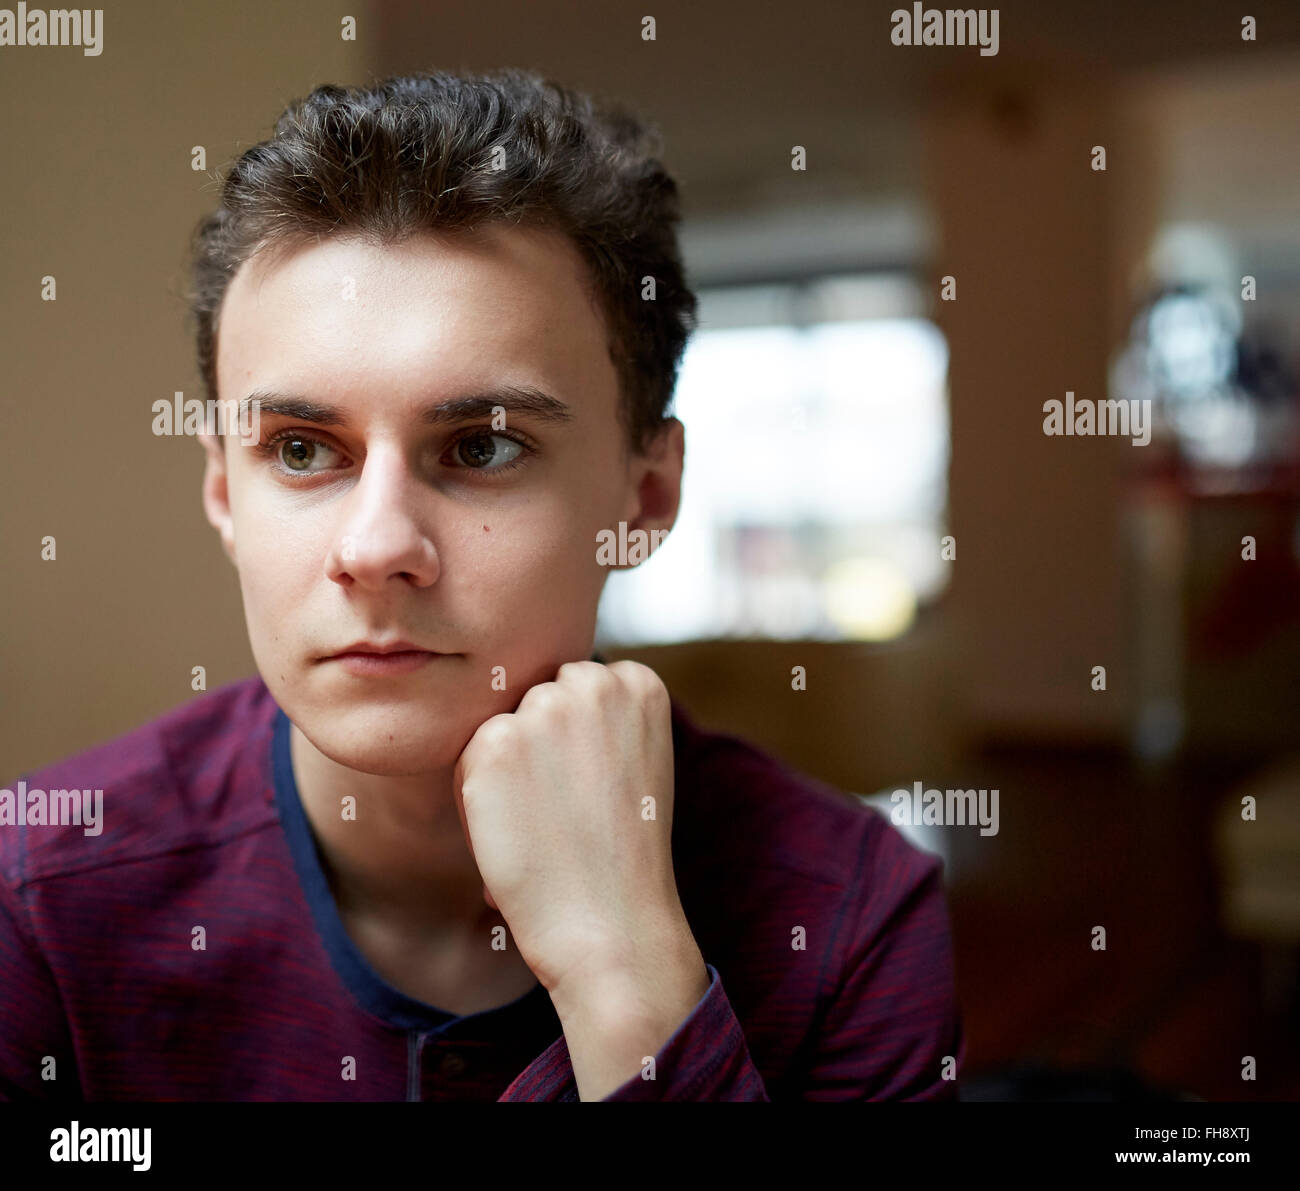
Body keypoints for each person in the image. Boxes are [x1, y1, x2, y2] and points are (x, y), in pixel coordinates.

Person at [0, 69, 963, 1101]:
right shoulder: (42, 901)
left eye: (482, 445)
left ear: (645, 496)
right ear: (223, 493)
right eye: (298, 448)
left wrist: (628, 981)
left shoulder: (850, 916)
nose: (375, 547)